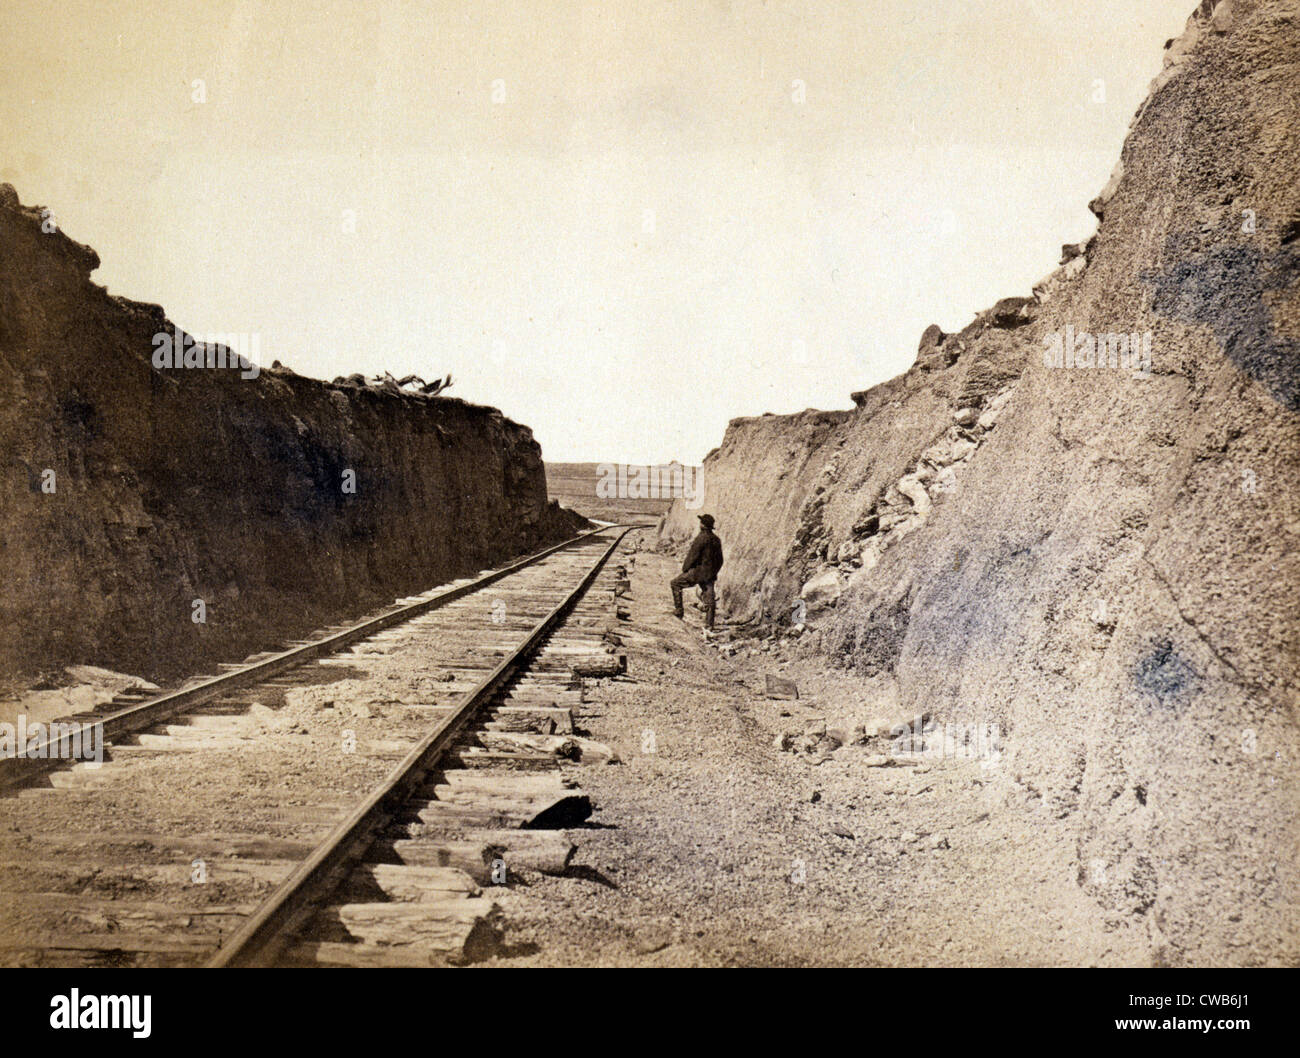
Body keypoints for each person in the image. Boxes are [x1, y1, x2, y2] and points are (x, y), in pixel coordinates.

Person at [671, 513, 724, 629]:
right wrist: (713, 572)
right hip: (710, 574)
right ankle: (709, 625)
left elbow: (692, 556)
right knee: (710, 599)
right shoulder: (716, 540)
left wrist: (685, 569)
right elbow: (720, 560)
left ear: (702, 525)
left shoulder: (701, 538)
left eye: (701, 522)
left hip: (697, 573)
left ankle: (679, 610)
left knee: (675, 583)